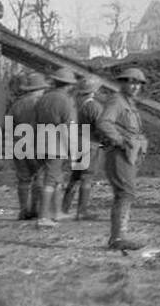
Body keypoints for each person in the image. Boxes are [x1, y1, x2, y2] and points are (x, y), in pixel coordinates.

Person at [96, 68, 150, 251]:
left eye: (138, 84)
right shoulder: (117, 101)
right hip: (119, 152)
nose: (135, 87)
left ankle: (119, 236)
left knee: (127, 192)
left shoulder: (129, 103)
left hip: (129, 153)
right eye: (131, 82)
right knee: (125, 192)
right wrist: (119, 140)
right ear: (123, 83)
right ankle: (118, 238)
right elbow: (103, 122)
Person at [34, 67, 79, 227]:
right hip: (57, 143)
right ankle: (44, 217)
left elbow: (35, 119)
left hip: (41, 140)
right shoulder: (66, 101)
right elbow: (69, 127)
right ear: (68, 85)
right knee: (51, 179)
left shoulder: (44, 98)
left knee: (56, 178)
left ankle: (57, 212)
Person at [63, 75, 105, 220]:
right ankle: (82, 211)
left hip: (76, 142)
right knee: (87, 177)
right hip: (90, 143)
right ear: (93, 91)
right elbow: (102, 126)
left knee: (75, 176)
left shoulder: (75, 105)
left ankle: (64, 208)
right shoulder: (94, 106)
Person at [7, 73, 48, 220]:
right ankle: (35, 209)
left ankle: (23, 210)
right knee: (39, 177)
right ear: (40, 88)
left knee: (23, 179)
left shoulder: (16, 105)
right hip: (38, 145)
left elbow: (7, 126)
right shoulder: (43, 103)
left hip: (19, 144)